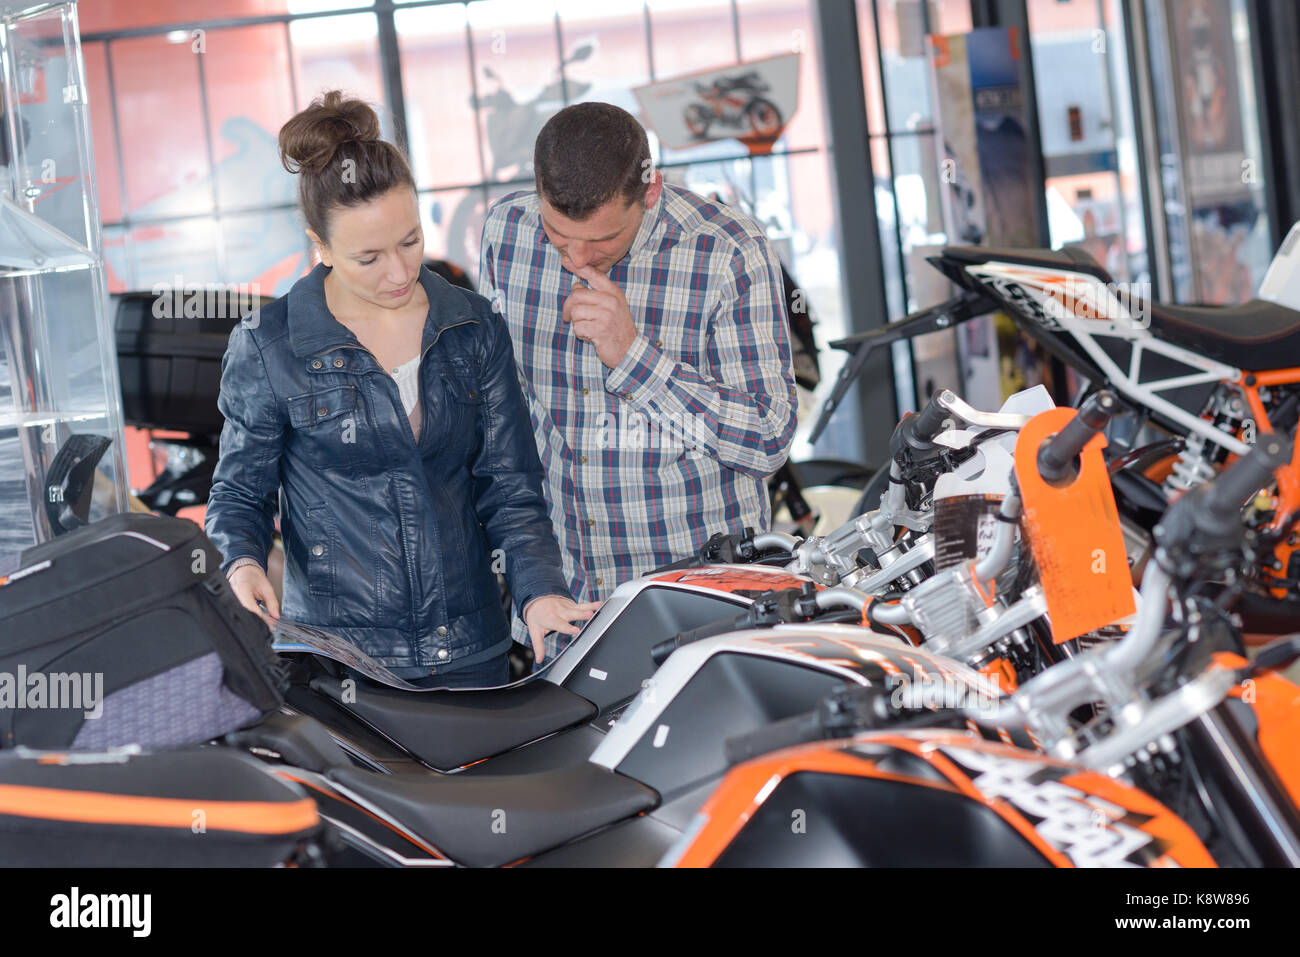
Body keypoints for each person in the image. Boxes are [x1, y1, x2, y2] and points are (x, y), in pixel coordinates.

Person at [205, 91, 597, 688]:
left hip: (470, 650)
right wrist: (240, 562)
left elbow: (510, 487)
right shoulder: (270, 346)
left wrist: (539, 592)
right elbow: (239, 493)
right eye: (368, 257)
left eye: (409, 241)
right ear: (319, 245)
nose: (399, 272)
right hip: (342, 665)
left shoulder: (471, 325)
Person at [479, 102, 797, 661]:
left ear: (649, 193)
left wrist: (633, 357)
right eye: (557, 234)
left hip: (704, 609)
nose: (577, 257)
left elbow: (768, 438)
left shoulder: (727, 250)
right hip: (573, 614)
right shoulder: (507, 233)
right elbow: (508, 418)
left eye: (602, 240)